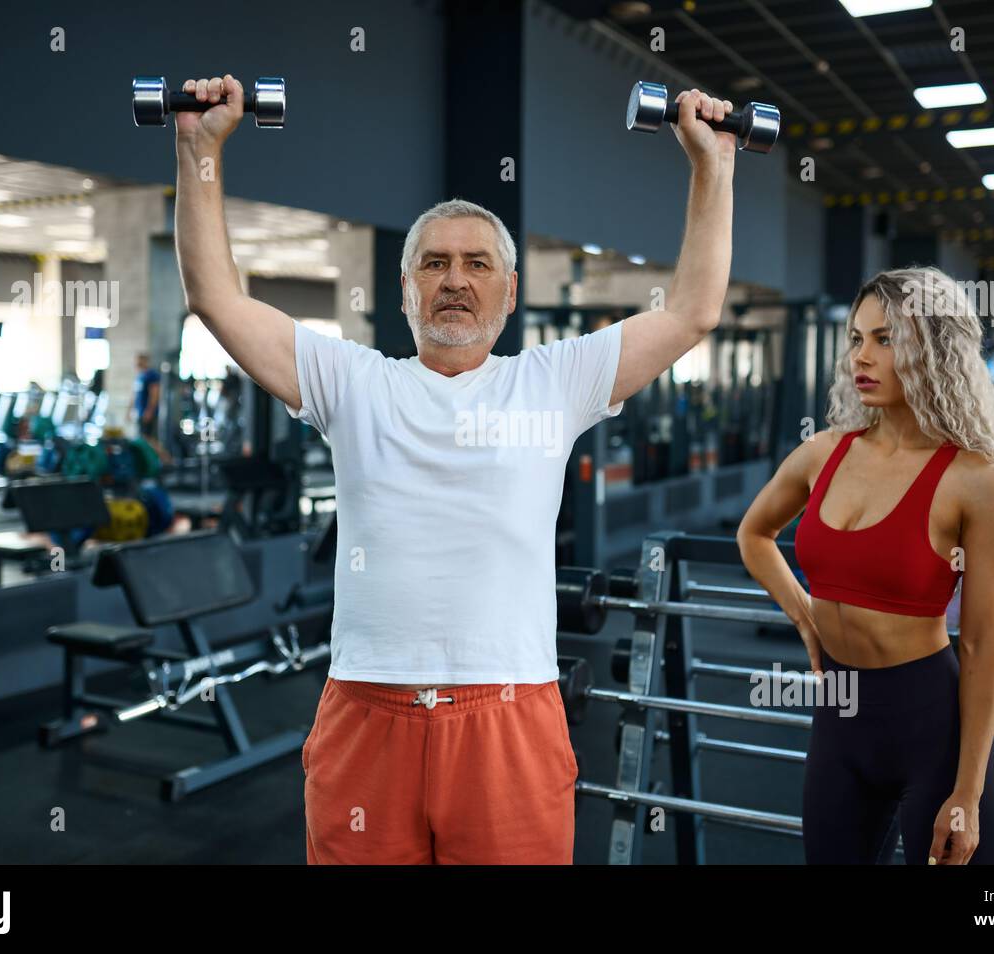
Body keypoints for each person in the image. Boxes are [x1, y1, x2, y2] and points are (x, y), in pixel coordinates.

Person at [173, 73, 737, 864]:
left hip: (510, 714)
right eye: (434, 265)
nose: (455, 281)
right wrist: (199, 150)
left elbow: (692, 311)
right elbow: (217, 300)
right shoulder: (353, 382)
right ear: (405, 291)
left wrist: (713, 165)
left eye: (476, 265)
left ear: (508, 292)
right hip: (366, 711)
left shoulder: (554, 380)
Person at [738, 266, 994, 865]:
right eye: (855, 338)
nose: (861, 357)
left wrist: (968, 793)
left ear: (936, 349)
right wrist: (804, 618)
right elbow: (754, 533)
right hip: (841, 714)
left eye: (886, 338)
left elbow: (981, 641)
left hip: (932, 726)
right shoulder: (824, 453)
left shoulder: (980, 482)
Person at [132, 352, 160, 440]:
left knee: (149, 439)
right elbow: (135, 394)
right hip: (140, 412)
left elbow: (155, 394)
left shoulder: (152, 375)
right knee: (142, 438)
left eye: (140, 361)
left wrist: (149, 411)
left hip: (148, 413)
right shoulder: (140, 376)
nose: (138, 363)